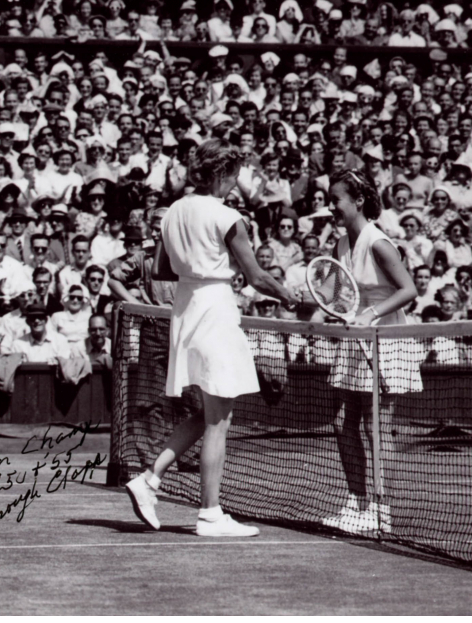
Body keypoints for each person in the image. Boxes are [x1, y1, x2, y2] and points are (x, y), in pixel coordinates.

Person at [124, 139, 297, 537]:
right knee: (220, 419)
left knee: (208, 413)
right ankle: (210, 514)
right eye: (234, 176)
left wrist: (199, 265)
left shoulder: (172, 213)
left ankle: (150, 478)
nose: (236, 185)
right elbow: (257, 277)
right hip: (215, 310)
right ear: (221, 173)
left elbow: (163, 270)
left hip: (186, 310)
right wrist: (288, 295)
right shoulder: (227, 217)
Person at [321, 169, 418, 534]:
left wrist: (371, 314)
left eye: (336, 200)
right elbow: (330, 295)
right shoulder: (340, 244)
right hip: (356, 337)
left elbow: (408, 289)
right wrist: (304, 305)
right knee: (341, 422)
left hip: (386, 337)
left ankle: (380, 510)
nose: (331, 207)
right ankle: (356, 502)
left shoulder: (378, 244)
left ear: (358, 201)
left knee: (376, 427)